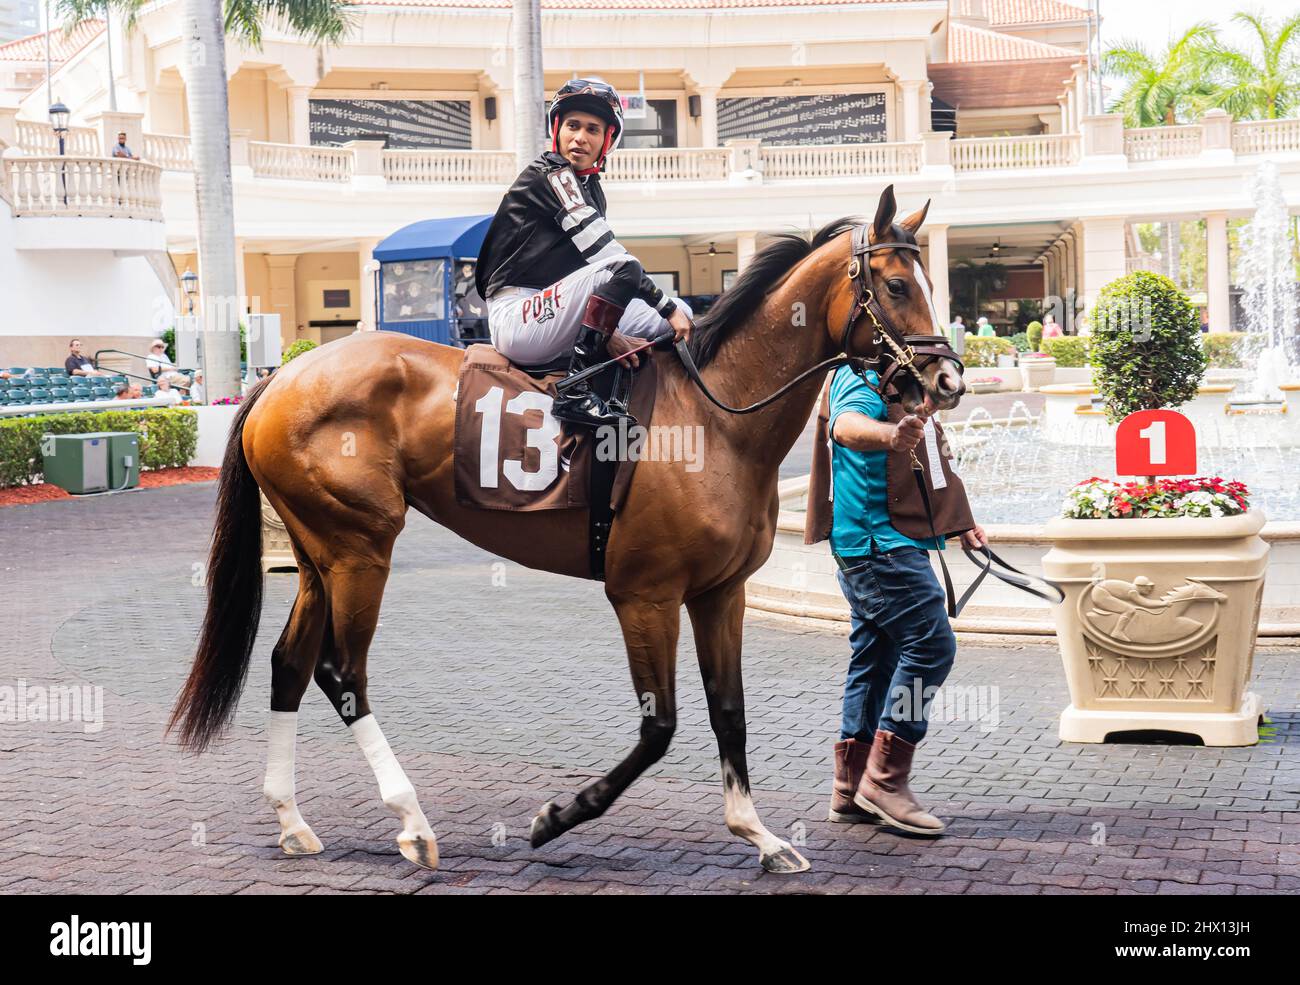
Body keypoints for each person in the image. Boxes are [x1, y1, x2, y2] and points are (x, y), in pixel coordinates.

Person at [822, 363, 986, 836]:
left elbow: (933, 459)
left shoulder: (901, 379)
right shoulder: (861, 373)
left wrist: (960, 522)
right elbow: (845, 425)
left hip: (875, 543)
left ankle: (850, 786)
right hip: (881, 546)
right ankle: (885, 781)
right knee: (932, 648)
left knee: (874, 661)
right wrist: (892, 435)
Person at [475, 77, 694, 427]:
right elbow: (608, 258)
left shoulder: (592, 189)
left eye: (593, 129)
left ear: (607, 140)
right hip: (519, 317)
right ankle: (574, 393)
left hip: (558, 311)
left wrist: (622, 330)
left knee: (684, 310)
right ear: (558, 130)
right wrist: (663, 306)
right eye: (573, 126)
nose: (580, 137)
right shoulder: (549, 174)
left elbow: (591, 282)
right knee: (629, 274)